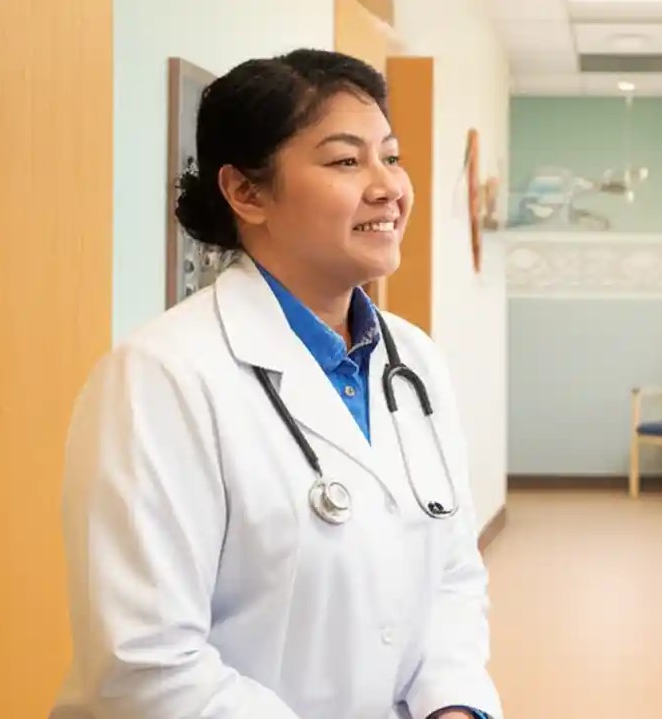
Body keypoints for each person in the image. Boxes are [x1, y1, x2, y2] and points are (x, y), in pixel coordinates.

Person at [52, 49, 501, 719]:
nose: (388, 187)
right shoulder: (160, 378)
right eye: (347, 161)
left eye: (392, 156)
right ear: (246, 192)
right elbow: (146, 664)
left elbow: (454, 581)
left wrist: (454, 706)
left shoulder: (417, 364)